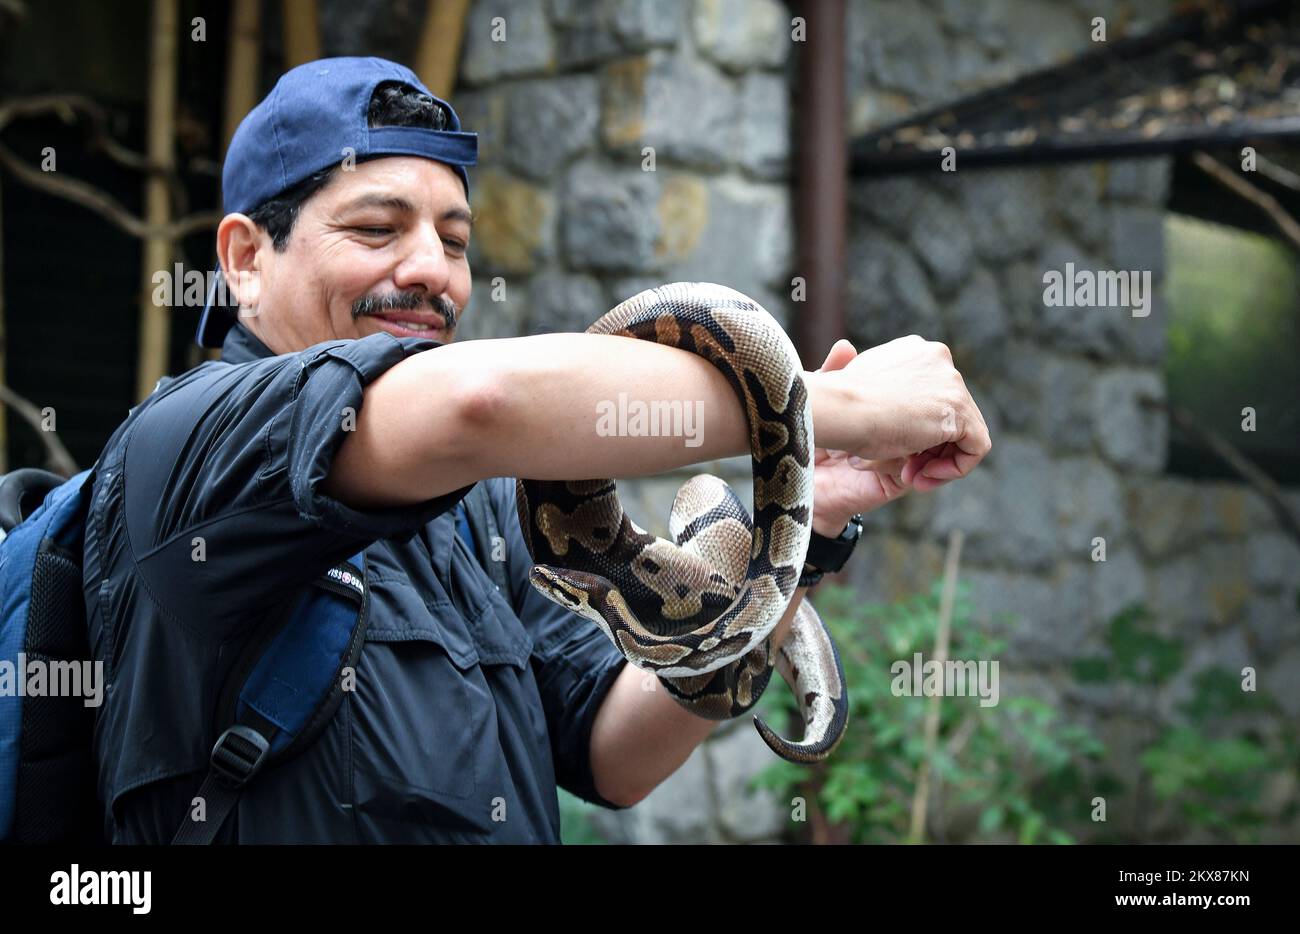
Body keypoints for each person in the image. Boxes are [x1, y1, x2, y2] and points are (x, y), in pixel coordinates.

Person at [83, 57, 991, 843]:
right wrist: (837, 406)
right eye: (375, 228)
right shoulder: (186, 446)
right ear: (243, 258)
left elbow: (616, 749)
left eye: (454, 240)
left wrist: (801, 520)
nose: (431, 270)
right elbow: (481, 400)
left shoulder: (479, 506)